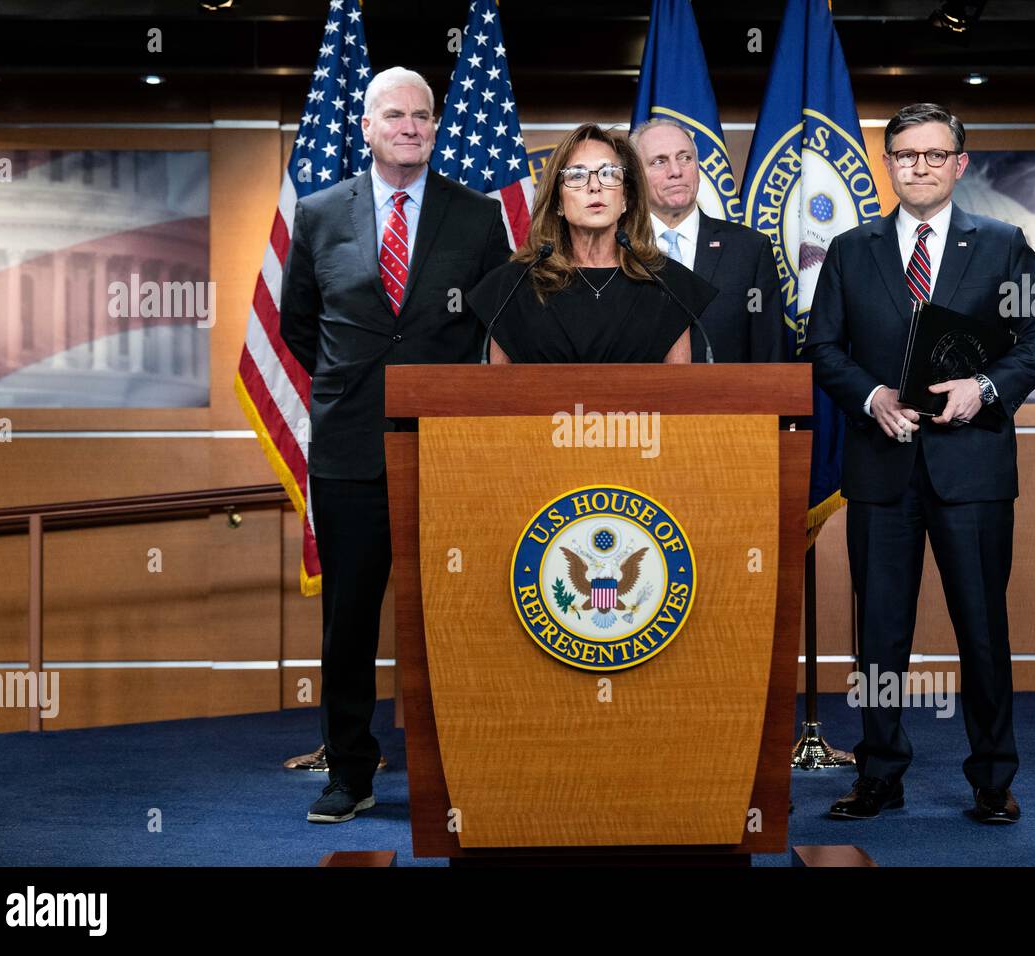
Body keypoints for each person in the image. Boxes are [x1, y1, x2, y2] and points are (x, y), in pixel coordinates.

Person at [802, 103, 1035, 824]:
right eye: (904, 155)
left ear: (959, 164)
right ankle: (880, 775)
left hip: (971, 468)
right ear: (887, 164)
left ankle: (992, 778)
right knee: (881, 635)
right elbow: (822, 347)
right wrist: (871, 396)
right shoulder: (850, 250)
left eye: (933, 155)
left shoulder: (1003, 244)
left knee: (981, 627)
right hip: (881, 470)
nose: (918, 167)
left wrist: (984, 389)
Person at [279, 66, 511, 823]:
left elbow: (494, 322)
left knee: (456, 612)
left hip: (446, 449)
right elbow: (299, 326)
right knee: (348, 620)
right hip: (350, 448)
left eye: (423, 116)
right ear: (367, 128)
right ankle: (350, 772)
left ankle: (462, 767)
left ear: (436, 128)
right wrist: (357, 387)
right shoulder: (317, 214)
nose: (411, 126)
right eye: (395, 116)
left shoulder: (476, 217)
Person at [467, 123, 715, 364]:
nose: (595, 186)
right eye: (577, 175)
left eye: (608, 173)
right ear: (559, 203)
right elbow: (496, 395)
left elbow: (679, 395)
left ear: (626, 198)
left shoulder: (669, 284)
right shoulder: (511, 285)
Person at [631, 118, 786, 363]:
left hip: (730, 397)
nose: (676, 171)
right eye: (659, 161)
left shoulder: (749, 250)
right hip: (640, 398)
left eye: (685, 158)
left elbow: (769, 350)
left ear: (698, 168)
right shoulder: (618, 250)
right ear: (636, 176)